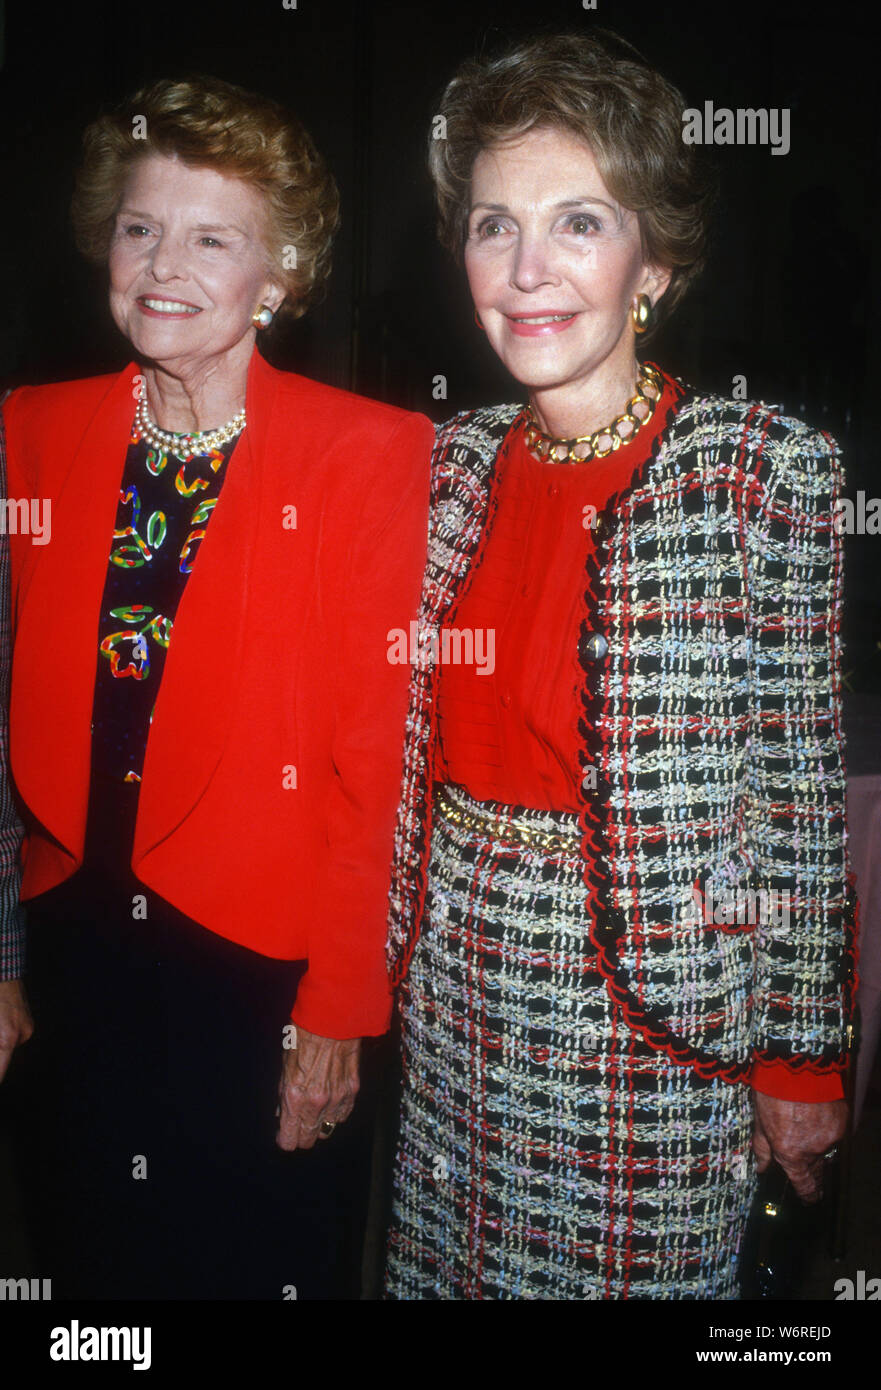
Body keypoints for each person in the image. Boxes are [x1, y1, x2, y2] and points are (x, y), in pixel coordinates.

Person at [383, 30, 855, 1300]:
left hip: (644, 1022)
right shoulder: (440, 467)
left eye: (577, 223)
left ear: (655, 259)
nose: (525, 271)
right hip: (450, 998)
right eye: (492, 227)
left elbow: (798, 810)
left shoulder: (762, 472)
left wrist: (801, 1066)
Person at [0, 74, 432, 1300]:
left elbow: (374, 759)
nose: (162, 264)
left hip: (260, 970)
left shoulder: (368, 452)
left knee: (253, 1259)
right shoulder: (30, 429)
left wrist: (340, 1004)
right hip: (74, 941)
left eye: (211, 237)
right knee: (91, 1259)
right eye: (140, 227)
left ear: (277, 275)